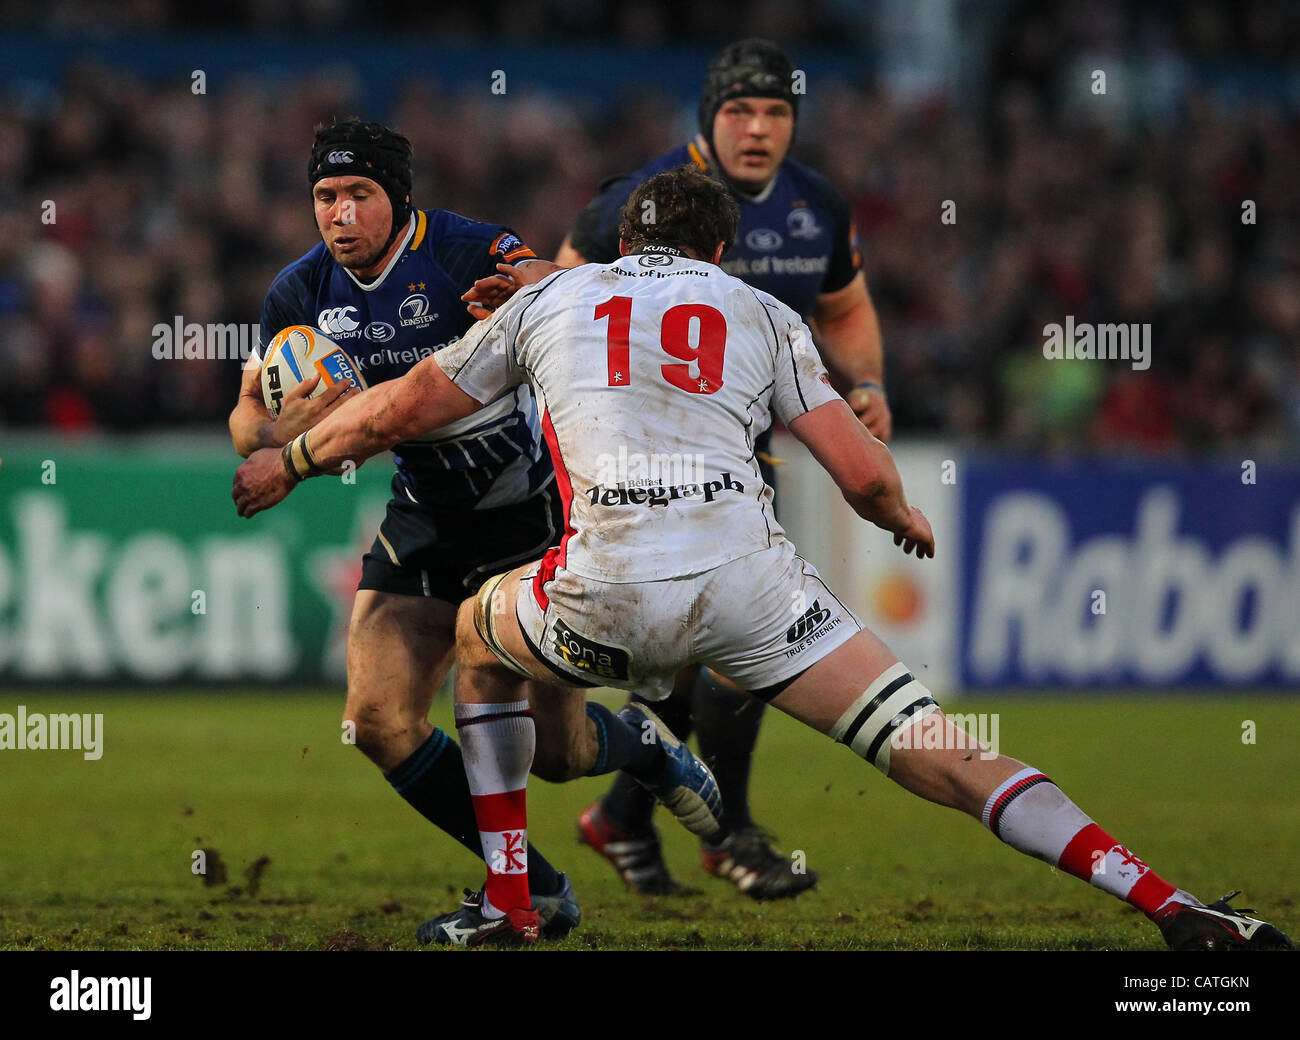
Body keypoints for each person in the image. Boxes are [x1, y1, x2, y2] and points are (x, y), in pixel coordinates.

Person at [232, 165, 1292, 952]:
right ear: (720, 253)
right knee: (938, 750)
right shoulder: (764, 312)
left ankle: (514, 904)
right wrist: (900, 517)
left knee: (474, 632)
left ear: (615, 241)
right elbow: (858, 469)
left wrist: (298, 455)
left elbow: (406, 405)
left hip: (601, 581)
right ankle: (1167, 903)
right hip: (751, 584)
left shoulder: (548, 300)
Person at [227, 118, 721, 945]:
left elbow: (552, 284)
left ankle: (639, 744)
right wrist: (288, 428)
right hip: (428, 521)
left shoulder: (463, 250)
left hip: (534, 519)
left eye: (358, 194)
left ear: (400, 196)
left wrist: (524, 285)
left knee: (557, 755)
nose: (340, 214)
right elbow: (248, 416)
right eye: (324, 196)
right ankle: (532, 888)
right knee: (376, 720)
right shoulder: (299, 294)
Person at [553, 37, 889, 900]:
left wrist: (869, 382)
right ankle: (722, 832)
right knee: (709, 650)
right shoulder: (645, 201)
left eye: (776, 112)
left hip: (747, 461)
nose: (757, 128)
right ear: (709, 116)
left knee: (710, 652)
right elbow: (556, 300)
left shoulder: (818, 206)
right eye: (740, 110)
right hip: (639, 464)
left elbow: (846, 308)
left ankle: (641, 821)